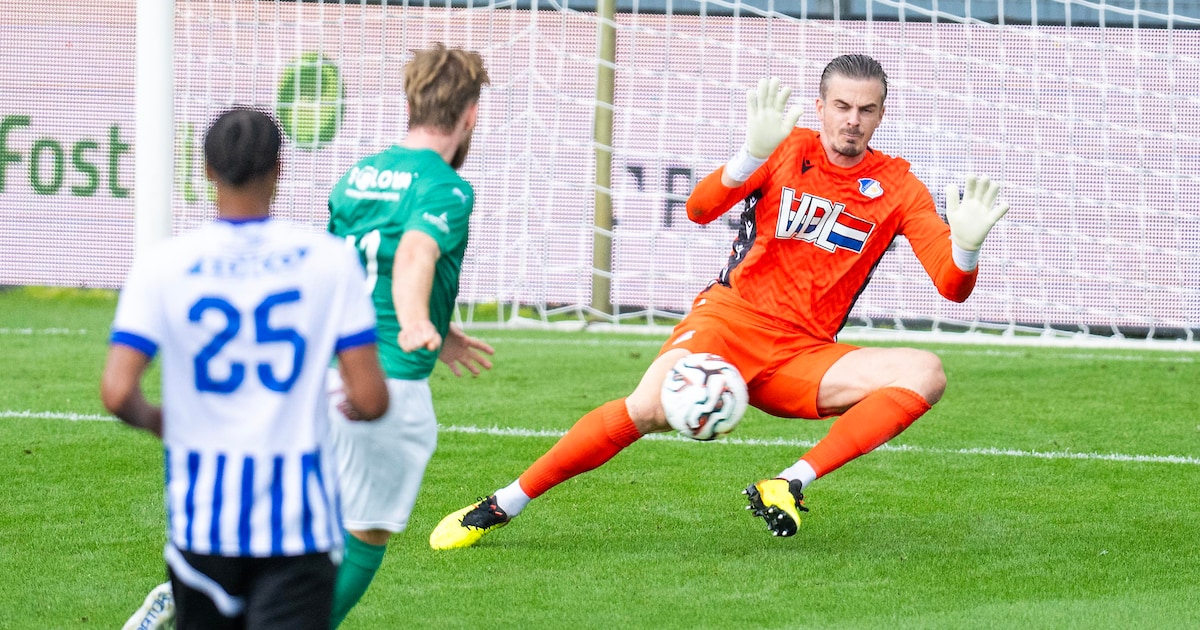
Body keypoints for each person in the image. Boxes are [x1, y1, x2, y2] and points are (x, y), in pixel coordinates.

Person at [428, 53, 1010, 548]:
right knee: (645, 408)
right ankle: (503, 503)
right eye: (842, 106)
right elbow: (699, 209)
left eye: (866, 109)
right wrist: (748, 157)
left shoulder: (900, 187)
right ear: (820, 105)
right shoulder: (783, 149)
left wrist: (966, 248)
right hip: (728, 323)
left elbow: (951, 287)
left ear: (881, 114)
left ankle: (789, 482)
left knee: (925, 372)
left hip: (803, 354)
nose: (852, 121)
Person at [103, 107, 390, 629]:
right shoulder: (328, 260)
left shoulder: (163, 264)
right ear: (280, 169)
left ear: (207, 170)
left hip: (203, 521)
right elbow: (371, 400)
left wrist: (162, 421)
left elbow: (118, 392)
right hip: (298, 524)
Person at [323, 43, 495, 627]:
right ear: (470, 115)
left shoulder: (356, 175)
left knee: (311, 523)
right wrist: (417, 319)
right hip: (389, 383)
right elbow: (414, 254)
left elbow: (341, 268)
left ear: (410, 105)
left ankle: (206, 597)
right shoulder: (448, 188)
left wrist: (438, 328)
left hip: (327, 370)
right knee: (365, 535)